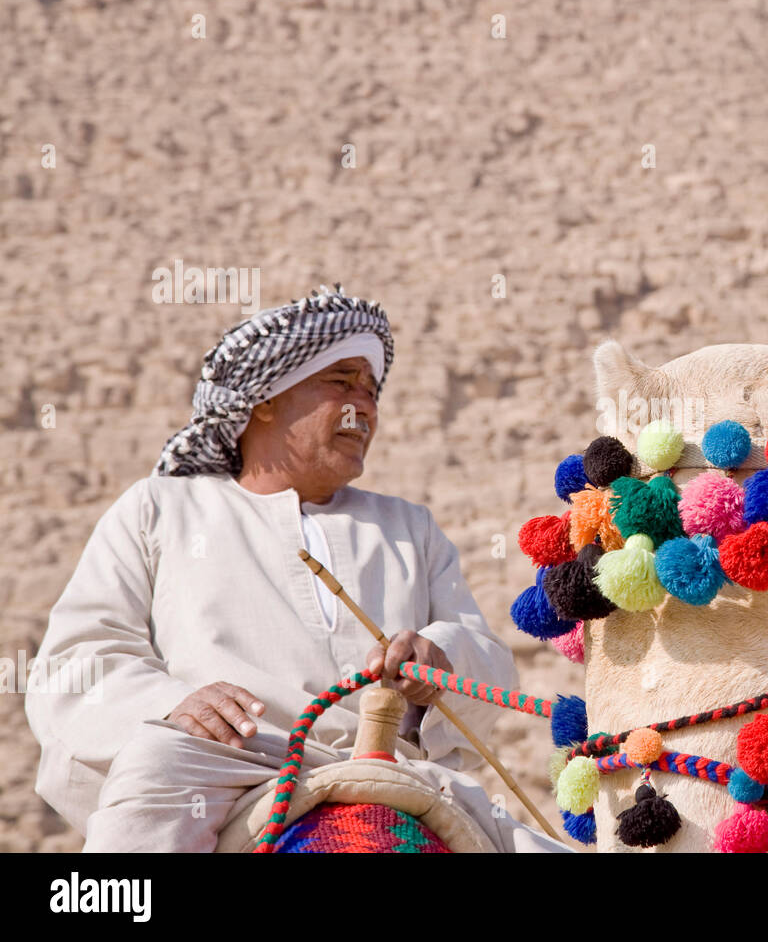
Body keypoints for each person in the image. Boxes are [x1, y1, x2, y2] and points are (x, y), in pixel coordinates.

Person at [25, 285, 570, 853]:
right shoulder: (160, 508)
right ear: (264, 399)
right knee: (157, 768)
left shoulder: (409, 527)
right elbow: (75, 662)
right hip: (225, 769)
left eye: (371, 388)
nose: (366, 406)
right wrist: (173, 705)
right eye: (342, 382)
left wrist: (440, 659)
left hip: (391, 768)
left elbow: (489, 666)